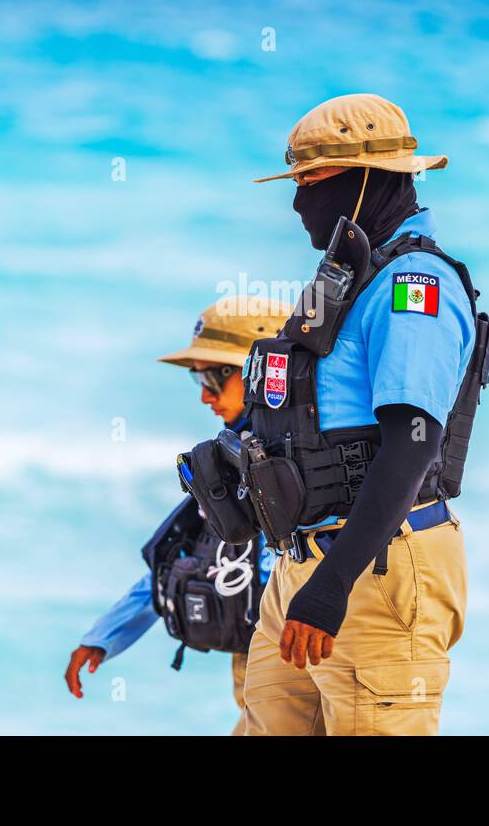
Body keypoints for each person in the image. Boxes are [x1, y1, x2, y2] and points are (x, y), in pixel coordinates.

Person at [231, 93, 489, 735]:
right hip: (304, 565)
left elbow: (412, 445)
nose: (297, 203)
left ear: (365, 177)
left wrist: (333, 585)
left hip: (370, 569)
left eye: (312, 183)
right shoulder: (350, 280)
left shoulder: (414, 286)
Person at [63, 295, 292, 734]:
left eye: (213, 377)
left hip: (300, 649)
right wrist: (106, 636)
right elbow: (181, 553)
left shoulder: (300, 463)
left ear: (256, 372)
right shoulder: (229, 459)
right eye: (198, 380)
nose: (205, 396)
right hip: (259, 655)